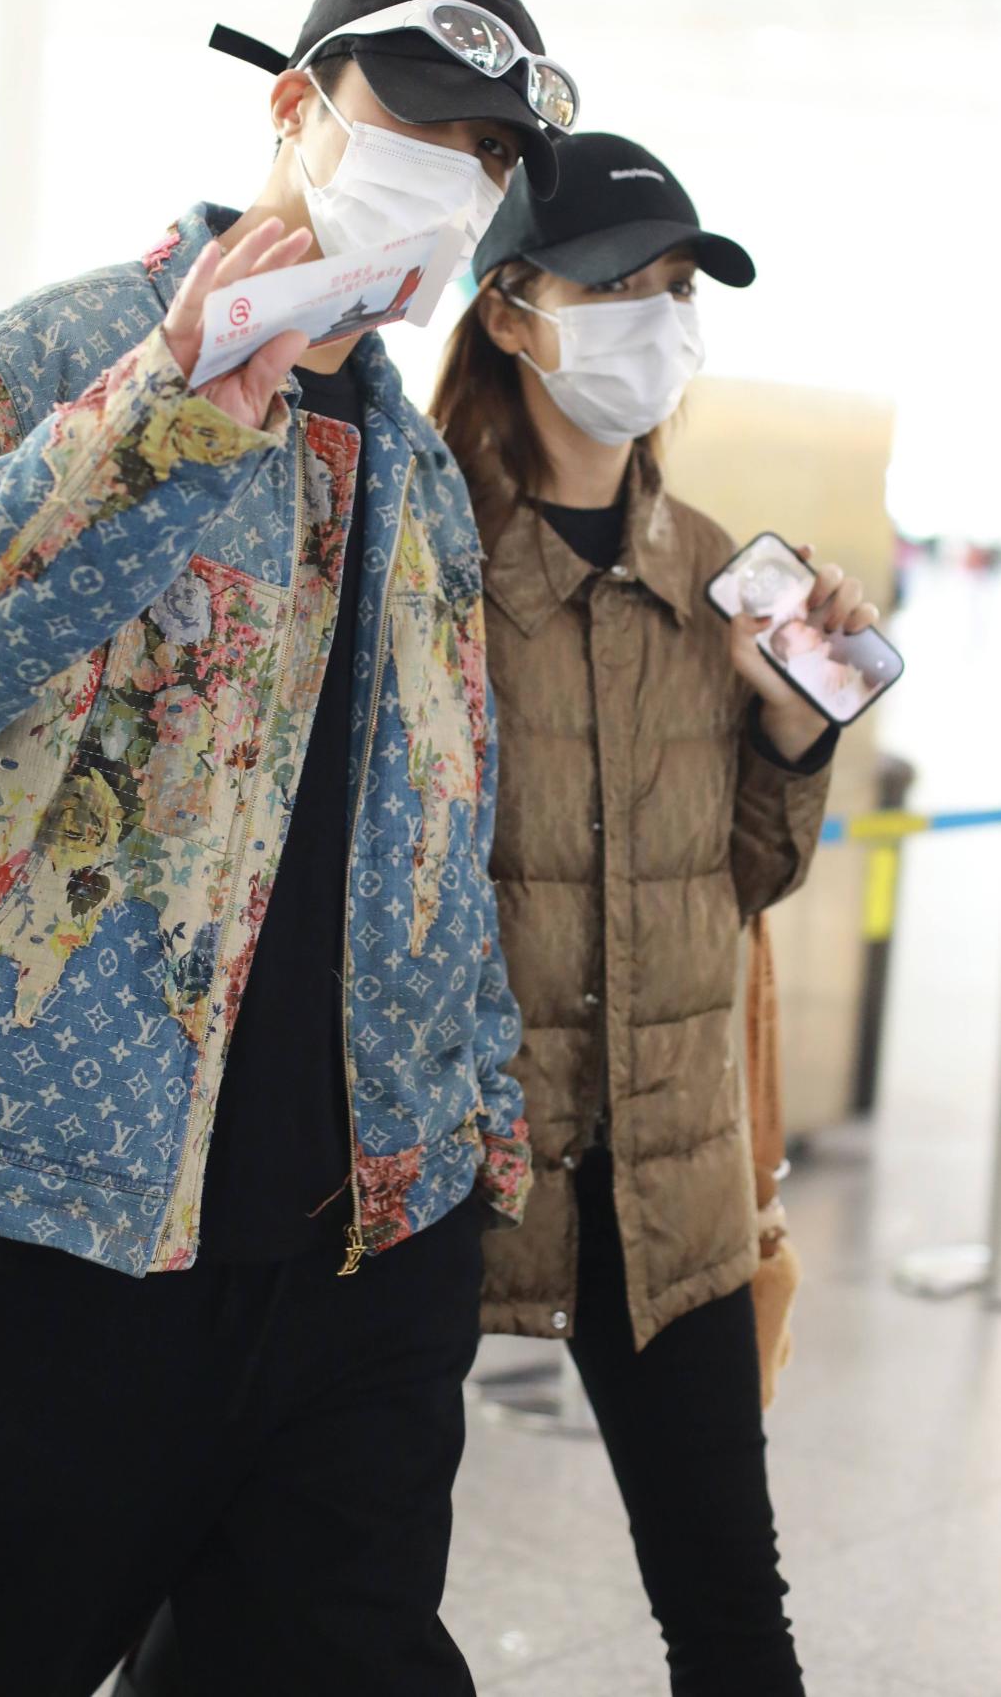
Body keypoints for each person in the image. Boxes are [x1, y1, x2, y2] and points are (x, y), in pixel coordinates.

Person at [0, 0, 575, 1697]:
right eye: (413, 129)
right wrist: (155, 415)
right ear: (293, 106)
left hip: (368, 1243)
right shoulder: (63, 348)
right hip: (81, 1212)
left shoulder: (415, 461)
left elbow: (437, 824)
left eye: (488, 161)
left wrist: (473, 1147)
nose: (453, 179)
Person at [429, 132, 882, 1696]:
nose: (655, 317)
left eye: (676, 288)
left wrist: (788, 732)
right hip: (449, 1163)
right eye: (616, 282)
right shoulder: (429, 566)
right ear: (508, 309)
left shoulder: (712, 580)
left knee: (726, 1607)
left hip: (666, 1172)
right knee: (331, 1585)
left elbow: (749, 878)